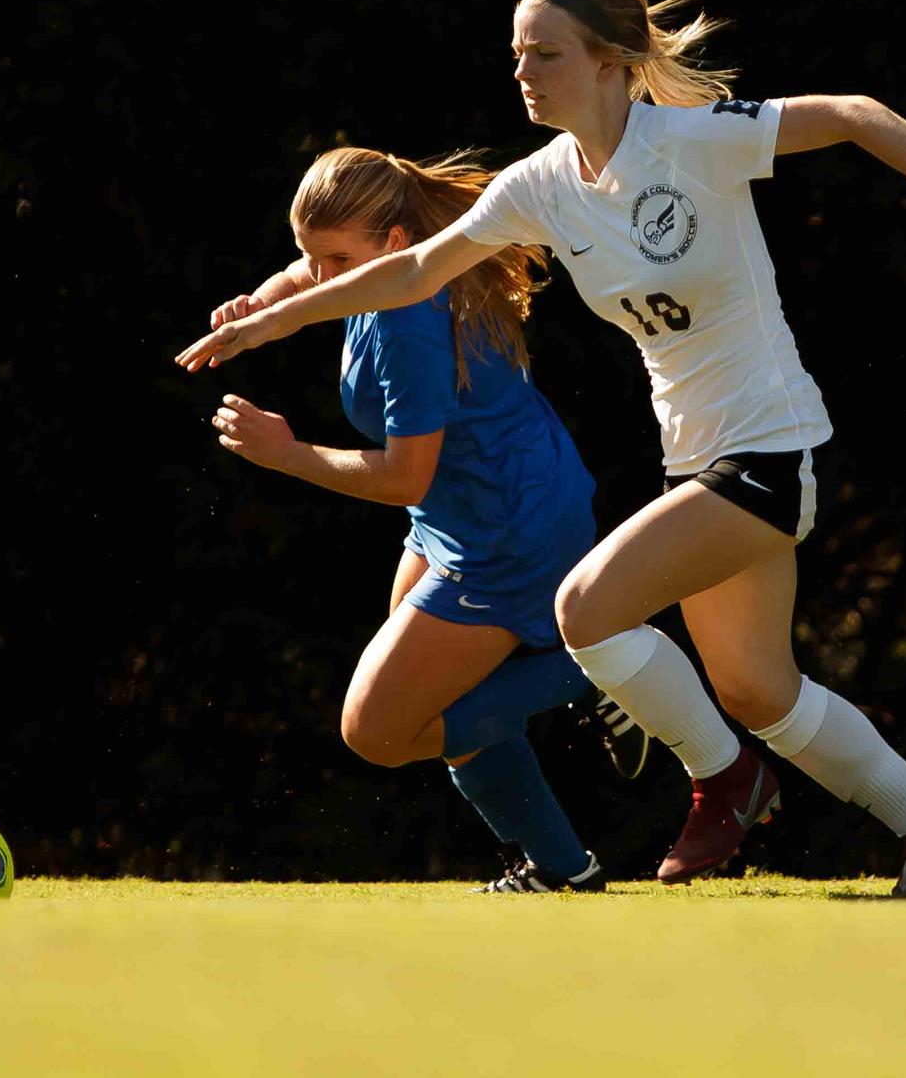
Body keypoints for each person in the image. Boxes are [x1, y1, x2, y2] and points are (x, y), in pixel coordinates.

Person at [180, 0, 906, 896]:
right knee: (754, 690)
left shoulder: (694, 142)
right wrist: (270, 316)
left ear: (613, 64)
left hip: (769, 444)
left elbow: (854, 111)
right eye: (517, 54)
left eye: (547, 52)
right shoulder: (541, 183)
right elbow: (410, 269)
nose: (525, 70)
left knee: (588, 609)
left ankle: (725, 779)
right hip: (695, 456)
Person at [205, 146, 648, 892]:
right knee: (441, 707)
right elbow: (301, 277)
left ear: (396, 246)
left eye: (335, 260)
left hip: (511, 531)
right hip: (463, 517)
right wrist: (258, 304)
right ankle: (563, 869)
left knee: (378, 730)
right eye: (307, 256)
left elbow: (403, 473)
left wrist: (285, 454)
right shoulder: (373, 277)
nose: (316, 279)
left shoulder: (407, 317)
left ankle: (603, 665)